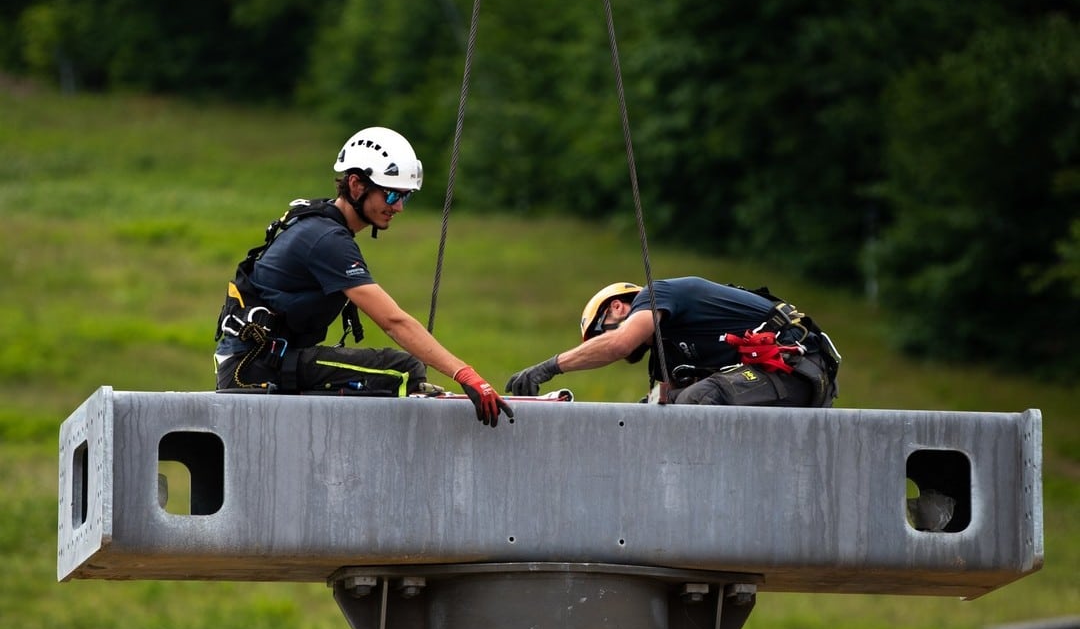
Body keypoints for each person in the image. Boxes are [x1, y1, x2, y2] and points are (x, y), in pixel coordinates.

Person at [214, 127, 513, 427]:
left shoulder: (322, 224)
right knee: (403, 370)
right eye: (392, 194)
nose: (398, 207)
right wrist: (465, 373)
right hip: (254, 369)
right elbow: (393, 322)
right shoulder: (326, 239)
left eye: (405, 197)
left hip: (265, 360)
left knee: (397, 370)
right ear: (356, 185)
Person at [505, 277, 840, 407]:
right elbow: (660, 405)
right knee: (661, 409)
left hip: (801, 370)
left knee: (701, 398)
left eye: (601, 333)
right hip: (772, 383)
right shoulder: (667, 349)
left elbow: (620, 343)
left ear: (617, 306)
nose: (603, 344)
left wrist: (548, 367)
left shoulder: (659, 293)